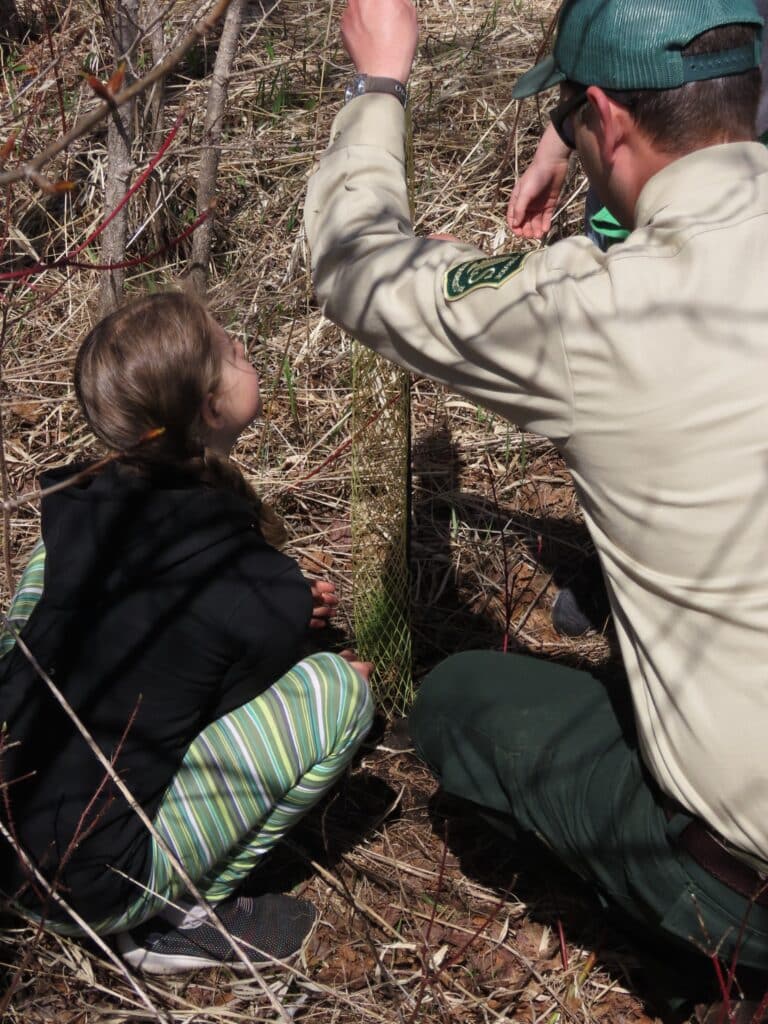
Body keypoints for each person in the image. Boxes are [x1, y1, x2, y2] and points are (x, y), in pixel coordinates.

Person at [304, 0, 768, 1010]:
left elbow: (353, 262)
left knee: (467, 704)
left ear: (604, 116)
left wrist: (379, 81)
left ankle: (730, 962)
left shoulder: (593, 309)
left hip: (749, 875)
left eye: (563, 119)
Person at [0, 291, 374, 974]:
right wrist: (293, 616)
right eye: (233, 351)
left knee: (46, 572)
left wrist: (280, 602)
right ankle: (182, 921)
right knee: (338, 691)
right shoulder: (243, 579)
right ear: (209, 409)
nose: (247, 352)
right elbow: (234, 680)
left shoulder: (79, 506)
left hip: (5, 830)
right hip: (90, 885)